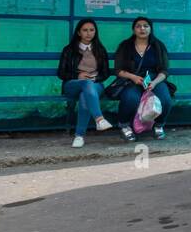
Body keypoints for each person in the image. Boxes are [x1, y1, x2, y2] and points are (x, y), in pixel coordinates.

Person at [114, 15, 175, 141]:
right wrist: (133, 77)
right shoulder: (125, 46)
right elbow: (118, 70)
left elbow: (164, 70)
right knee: (130, 98)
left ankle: (158, 126)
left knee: (165, 99)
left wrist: (155, 82)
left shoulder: (158, 46)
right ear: (133, 29)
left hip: (154, 79)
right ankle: (124, 126)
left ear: (150, 29)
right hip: (132, 79)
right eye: (138, 26)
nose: (142, 29)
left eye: (146, 26)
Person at [57, 19, 114, 148]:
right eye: (85, 30)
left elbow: (105, 73)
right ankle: (99, 119)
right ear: (78, 32)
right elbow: (61, 73)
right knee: (85, 84)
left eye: (92, 30)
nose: (89, 33)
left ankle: (79, 136)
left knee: (85, 95)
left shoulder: (100, 50)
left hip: (95, 85)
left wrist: (95, 78)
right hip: (73, 84)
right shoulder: (69, 50)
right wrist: (78, 75)